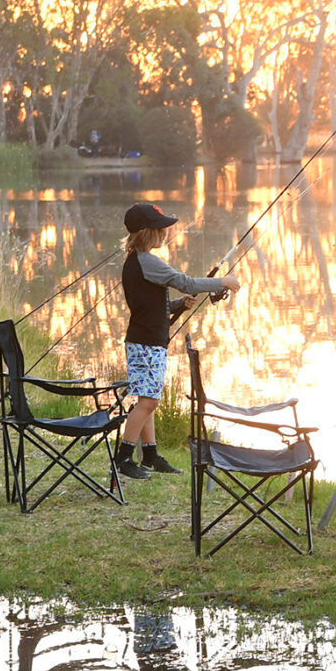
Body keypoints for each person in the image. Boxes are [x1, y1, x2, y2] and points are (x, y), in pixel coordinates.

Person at [115, 202, 239, 480]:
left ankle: (149, 455)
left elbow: (147, 305)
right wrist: (223, 282)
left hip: (145, 339)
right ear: (148, 232)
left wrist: (177, 305)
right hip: (146, 343)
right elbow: (187, 282)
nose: (165, 233)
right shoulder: (148, 261)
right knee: (147, 402)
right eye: (161, 229)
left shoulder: (137, 261)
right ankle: (123, 459)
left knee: (148, 399)